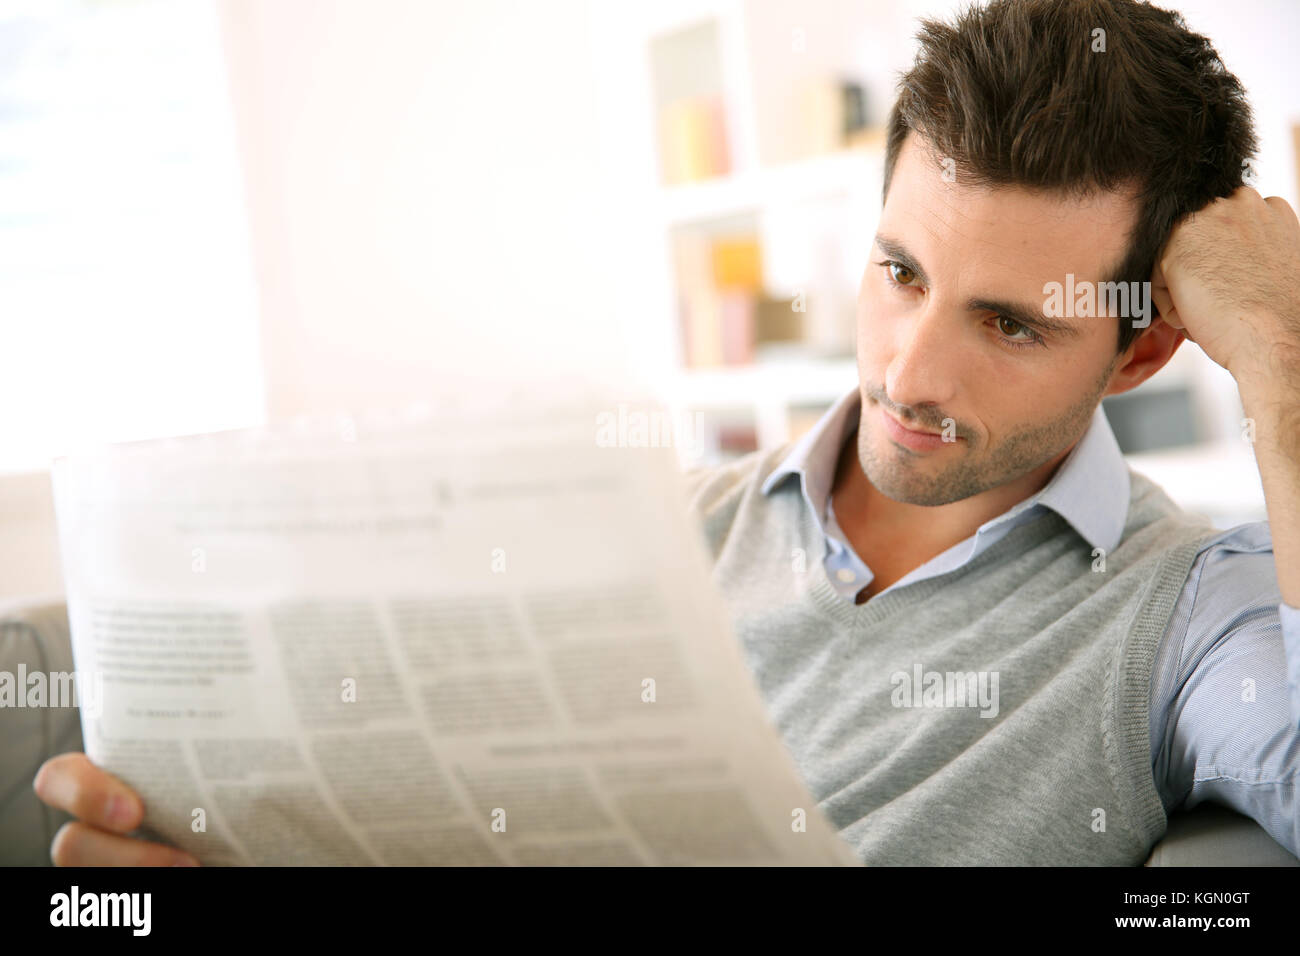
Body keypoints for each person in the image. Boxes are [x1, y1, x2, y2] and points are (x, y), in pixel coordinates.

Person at [36, 0, 1300, 864]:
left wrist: (1279, 359)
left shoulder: (1186, 613)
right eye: (898, 271)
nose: (905, 372)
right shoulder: (666, 528)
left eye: (1010, 323)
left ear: (1140, 343)